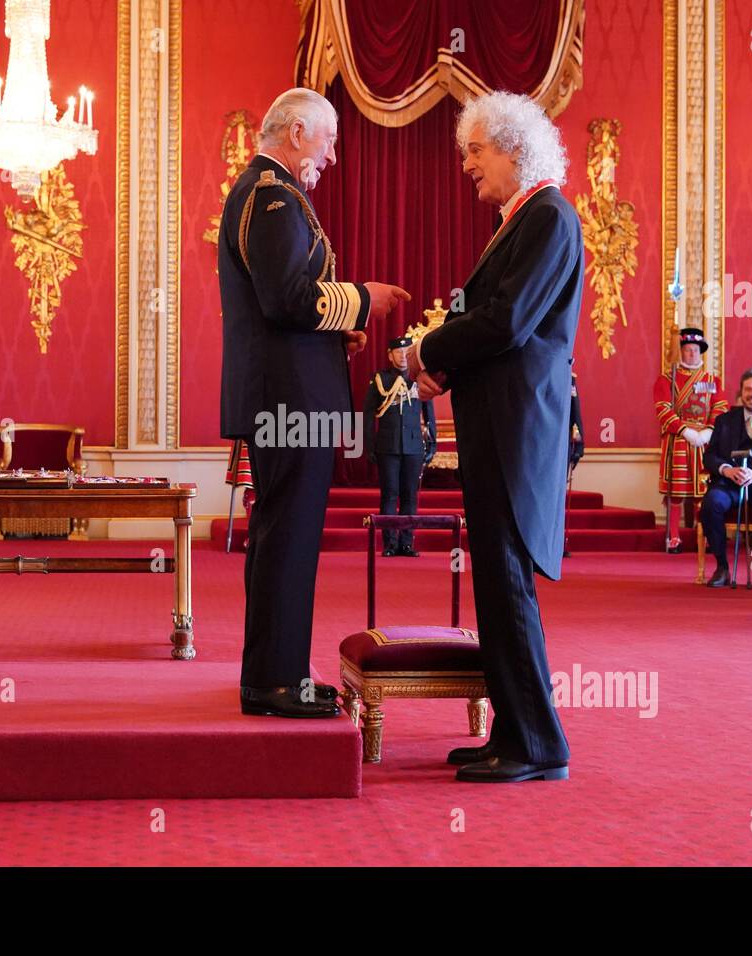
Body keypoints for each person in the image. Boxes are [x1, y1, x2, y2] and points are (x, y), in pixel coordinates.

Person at [403, 91, 581, 783]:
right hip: (501, 425)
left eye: (475, 151)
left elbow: (506, 323)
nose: (468, 165)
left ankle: (538, 743)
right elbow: (505, 327)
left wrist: (426, 350)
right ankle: (515, 729)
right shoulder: (525, 218)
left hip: (515, 432)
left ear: (513, 147)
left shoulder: (546, 216)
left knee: (507, 585)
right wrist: (444, 363)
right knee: (499, 585)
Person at [218, 88, 409, 717]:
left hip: (288, 395)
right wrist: (363, 298)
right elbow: (287, 299)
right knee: (289, 539)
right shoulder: (273, 197)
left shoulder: (270, 193)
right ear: (297, 131)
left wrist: (336, 333)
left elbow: (291, 308)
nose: (329, 155)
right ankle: (274, 683)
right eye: (326, 141)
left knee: (284, 536)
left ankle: (277, 674)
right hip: (290, 404)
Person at [699, 368, 752, 588]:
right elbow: (709, 456)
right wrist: (727, 469)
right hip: (730, 483)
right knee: (711, 504)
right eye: (748, 389)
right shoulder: (724, 420)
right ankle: (722, 567)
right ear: (742, 392)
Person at [653, 328, 729, 552]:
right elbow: (663, 409)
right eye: (687, 350)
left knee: (703, 492)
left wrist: (708, 431)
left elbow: (720, 407)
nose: (691, 354)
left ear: (701, 353)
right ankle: (674, 537)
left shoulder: (711, 380)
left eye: (695, 350)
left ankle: (703, 535)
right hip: (678, 439)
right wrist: (685, 430)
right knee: (676, 493)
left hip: (705, 442)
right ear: (681, 352)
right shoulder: (666, 380)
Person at [363, 336, 437, 557]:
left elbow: (429, 416)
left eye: (407, 352)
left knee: (409, 496)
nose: (403, 356)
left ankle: (406, 543)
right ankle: (389, 544)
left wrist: (431, 443)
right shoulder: (380, 379)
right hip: (387, 446)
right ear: (390, 355)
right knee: (389, 495)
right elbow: (368, 415)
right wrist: (368, 445)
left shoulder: (418, 379)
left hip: (414, 446)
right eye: (398, 352)